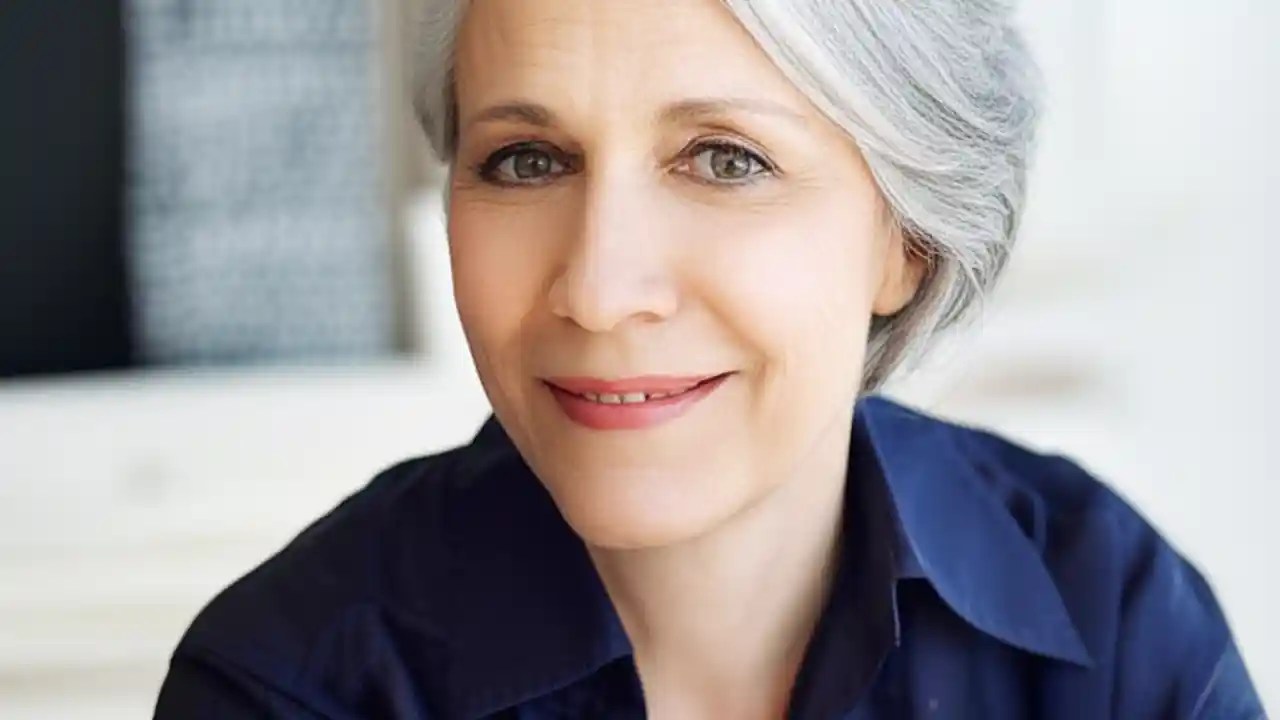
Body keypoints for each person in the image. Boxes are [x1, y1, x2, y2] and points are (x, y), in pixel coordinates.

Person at [154, 0, 1265, 717]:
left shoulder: (1110, 622)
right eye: (527, 159)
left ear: (907, 244)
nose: (596, 287)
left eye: (724, 161)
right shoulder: (285, 686)